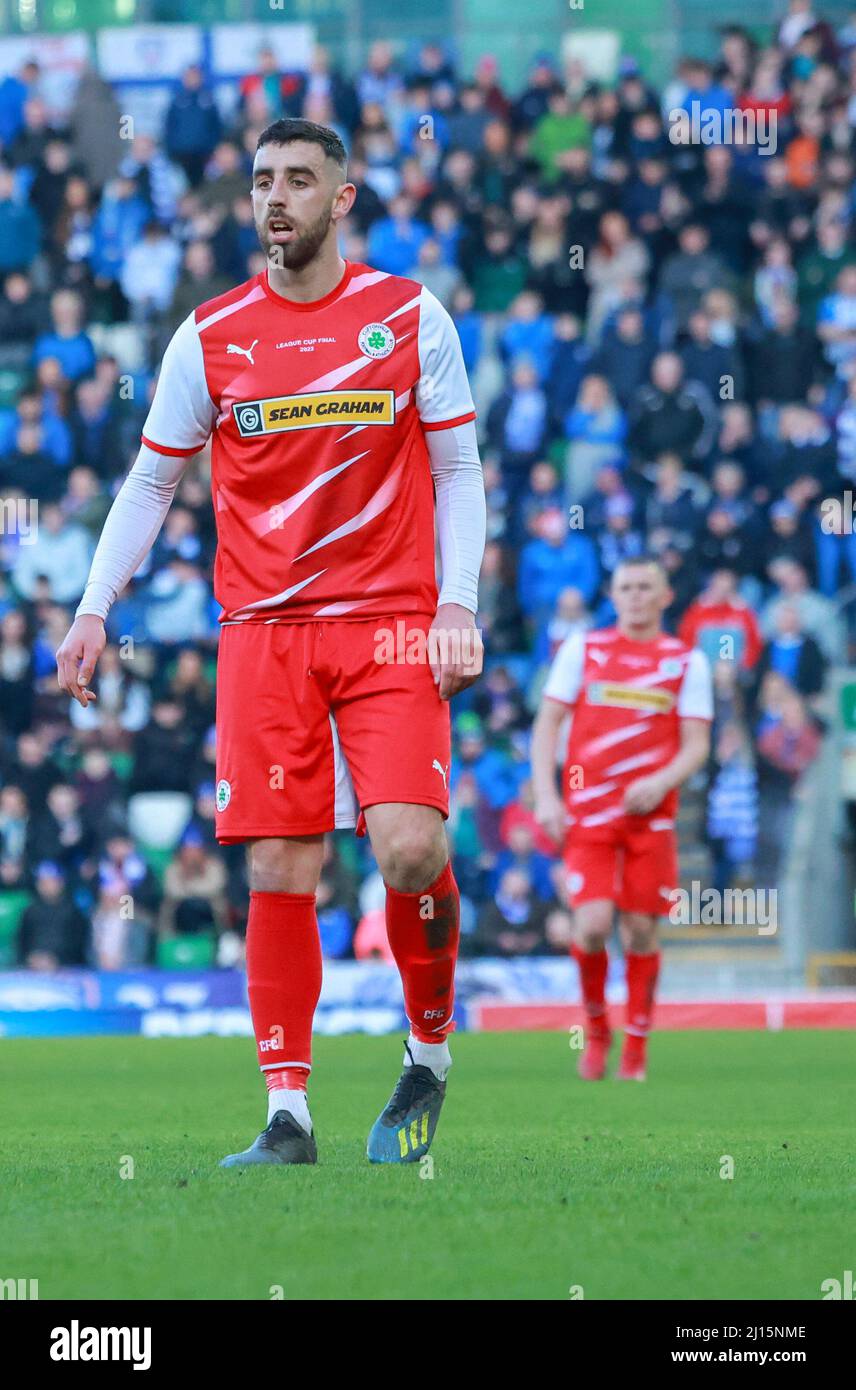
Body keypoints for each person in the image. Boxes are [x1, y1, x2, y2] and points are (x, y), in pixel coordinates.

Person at [56, 118, 486, 1169]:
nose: (276, 197)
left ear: (342, 199)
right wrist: (93, 603)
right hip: (262, 632)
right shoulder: (208, 337)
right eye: (261, 180)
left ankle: (427, 1052)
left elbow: (459, 472)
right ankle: (288, 1114)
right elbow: (152, 480)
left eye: (300, 179)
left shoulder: (407, 314)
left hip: (389, 624)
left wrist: (458, 600)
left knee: (410, 847)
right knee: (282, 865)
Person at [530, 555, 712, 1082]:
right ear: (612, 595)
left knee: (639, 933)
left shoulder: (686, 662)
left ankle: (636, 1046)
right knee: (590, 926)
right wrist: (546, 796)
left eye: (644, 587)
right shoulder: (583, 649)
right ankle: (596, 1031)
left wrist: (660, 781)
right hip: (588, 814)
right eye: (625, 587)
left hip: (651, 818)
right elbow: (546, 727)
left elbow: (697, 746)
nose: (634, 595)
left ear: (665, 596)